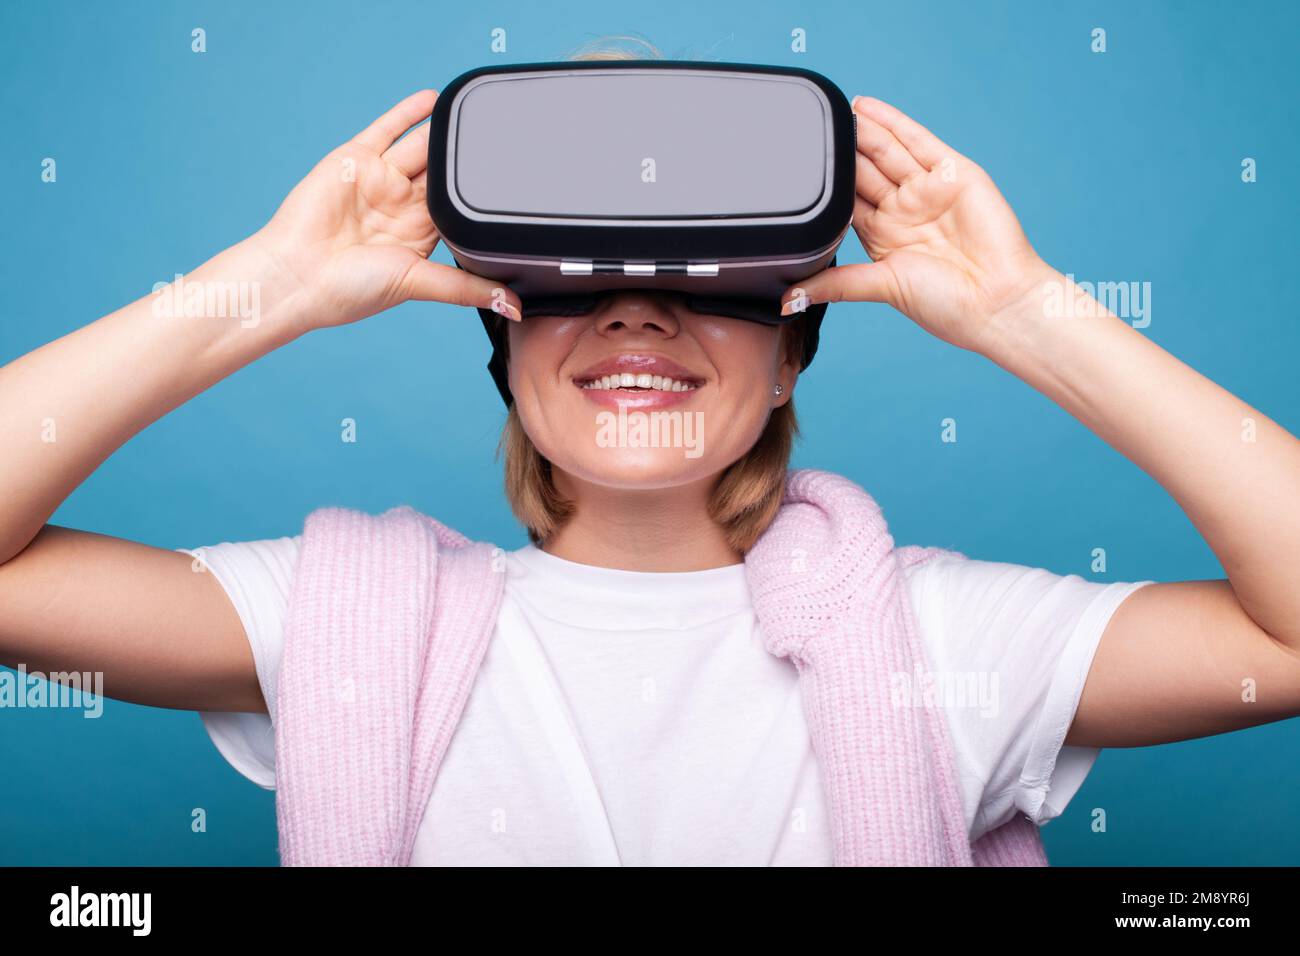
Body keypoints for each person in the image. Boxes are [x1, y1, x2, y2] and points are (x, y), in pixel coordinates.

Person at [2, 43, 1299, 866]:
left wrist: (1032, 319)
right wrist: (266, 284)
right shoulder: (345, 625)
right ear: (501, 343)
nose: (638, 309)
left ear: (792, 347)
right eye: (577, 272)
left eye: (705, 274)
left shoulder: (938, 646)